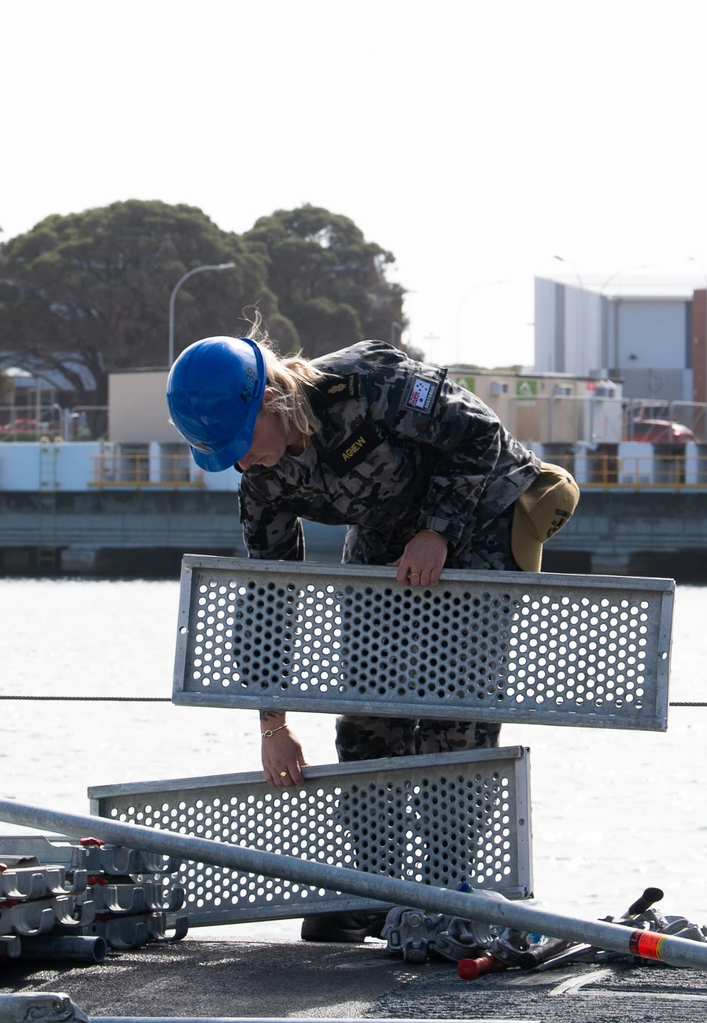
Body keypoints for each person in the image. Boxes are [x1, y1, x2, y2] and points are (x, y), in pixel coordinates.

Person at [167, 327, 579, 942]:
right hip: (385, 527)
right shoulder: (263, 481)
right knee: (363, 709)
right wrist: (272, 725)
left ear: (273, 401)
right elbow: (269, 599)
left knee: (450, 709)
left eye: (239, 443)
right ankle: (374, 885)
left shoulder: (369, 385)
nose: (240, 461)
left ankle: (448, 888)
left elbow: (480, 434)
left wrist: (438, 530)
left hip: (479, 513)